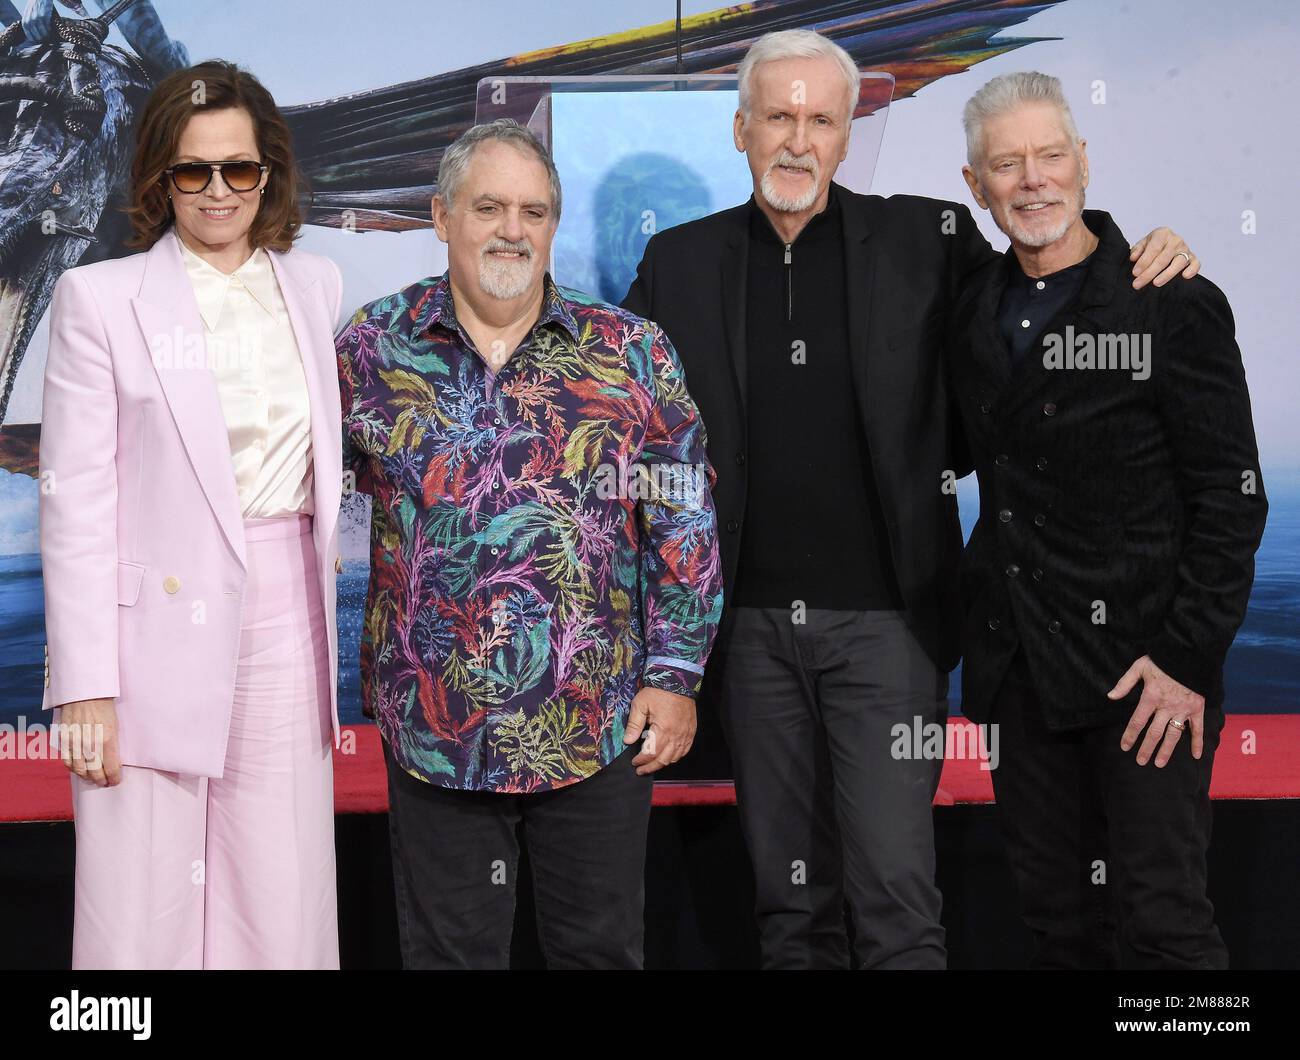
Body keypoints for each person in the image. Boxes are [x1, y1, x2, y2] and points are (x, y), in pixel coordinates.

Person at [622, 28, 1201, 969]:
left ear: (851, 134)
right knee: (790, 909)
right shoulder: (676, 264)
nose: (799, 140)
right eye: (778, 117)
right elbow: (626, 428)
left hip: (892, 627)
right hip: (748, 636)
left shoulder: (926, 237)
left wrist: (1147, 250)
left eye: (822, 119)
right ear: (740, 130)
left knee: (898, 905)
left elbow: (1049, 270)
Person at [335, 118, 722, 969]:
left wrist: (675, 674)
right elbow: (301, 508)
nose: (513, 229)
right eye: (489, 207)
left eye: (534, 211)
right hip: (435, 734)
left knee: (599, 955)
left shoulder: (630, 352)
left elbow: (682, 518)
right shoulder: (369, 348)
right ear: (441, 218)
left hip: (595, 726)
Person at [949, 70, 1268, 968]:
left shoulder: (1169, 300)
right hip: (1019, 672)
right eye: (1006, 164)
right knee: (1057, 924)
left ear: (1084, 163)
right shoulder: (969, 309)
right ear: (975, 186)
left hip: (1147, 677)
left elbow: (1233, 498)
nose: (1033, 179)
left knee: (1164, 922)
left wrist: (1185, 659)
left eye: (1050, 155)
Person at [39, 60, 345, 969]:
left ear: (269, 174)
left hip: (289, 621)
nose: (218, 191)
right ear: (159, 180)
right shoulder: (99, 300)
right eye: (192, 172)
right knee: (139, 906)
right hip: (146, 644)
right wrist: (85, 685)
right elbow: (77, 504)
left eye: (238, 169)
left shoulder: (316, 287)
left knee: (279, 892)